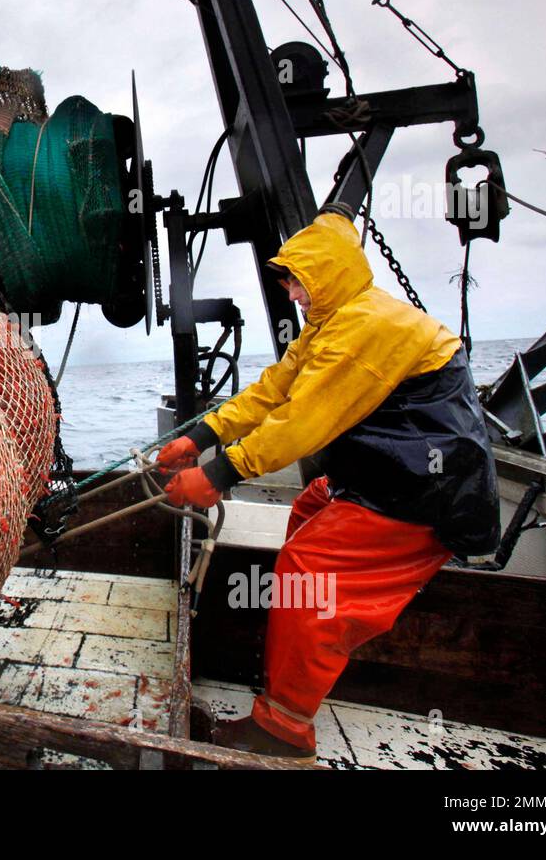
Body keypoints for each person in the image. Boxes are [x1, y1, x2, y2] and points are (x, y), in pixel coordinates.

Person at [157, 205, 500, 760]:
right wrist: (201, 435)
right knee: (310, 507)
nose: (291, 293)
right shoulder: (335, 321)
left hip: (425, 495)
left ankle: (282, 733)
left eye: (297, 281)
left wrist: (220, 473)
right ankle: (298, 660)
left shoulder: (364, 330)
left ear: (327, 276)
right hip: (384, 473)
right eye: (289, 282)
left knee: (306, 570)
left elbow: (304, 420)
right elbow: (275, 389)